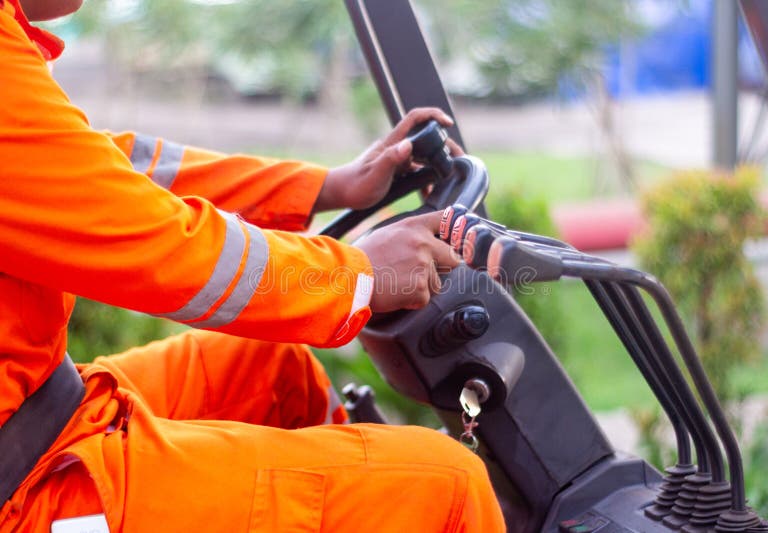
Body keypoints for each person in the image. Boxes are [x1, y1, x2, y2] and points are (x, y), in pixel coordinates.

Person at [0, 0, 506, 531]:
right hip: (23, 491)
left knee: (276, 369)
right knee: (449, 490)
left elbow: (104, 172)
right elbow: (163, 247)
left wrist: (325, 187)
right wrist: (357, 276)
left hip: (41, 411)